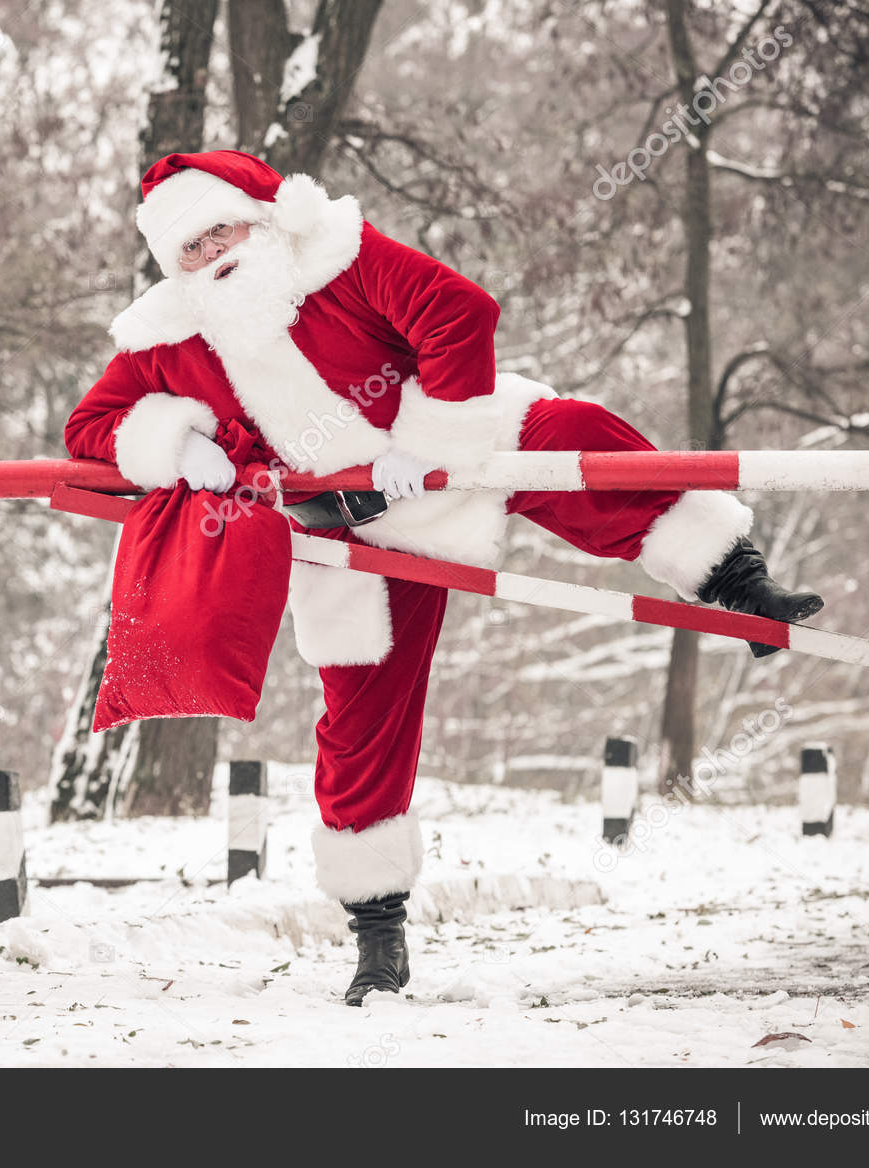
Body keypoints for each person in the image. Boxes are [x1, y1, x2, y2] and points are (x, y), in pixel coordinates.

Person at [64, 150, 823, 1006]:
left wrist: (428, 446)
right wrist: (177, 440)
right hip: (348, 536)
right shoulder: (166, 335)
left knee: (572, 438)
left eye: (221, 232)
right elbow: (88, 426)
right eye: (192, 249)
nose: (213, 256)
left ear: (261, 219)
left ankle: (739, 582)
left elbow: (460, 311)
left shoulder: (340, 252)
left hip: (451, 454)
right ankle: (377, 938)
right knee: (361, 722)